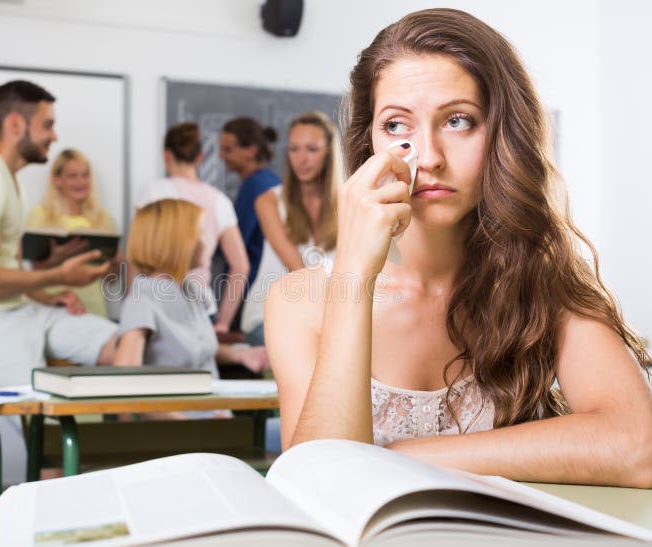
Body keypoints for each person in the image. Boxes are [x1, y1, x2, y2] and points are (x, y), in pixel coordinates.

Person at [265, 8, 652, 487]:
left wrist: (391, 457)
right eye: (396, 127)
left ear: (502, 135)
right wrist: (353, 275)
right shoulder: (296, 301)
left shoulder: (547, 280)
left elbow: (638, 446)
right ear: (368, 145)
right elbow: (317, 483)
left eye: (459, 121)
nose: (427, 157)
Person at [0, 80, 124, 388]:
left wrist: (49, 296)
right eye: (47, 125)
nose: (54, 136)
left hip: (20, 311)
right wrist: (59, 274)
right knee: (36, 413)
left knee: (126, 345)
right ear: (16, 124)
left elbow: (11, 272)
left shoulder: (10, 182)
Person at [115, 198, 269, 376]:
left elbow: (194, 350)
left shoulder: (190, 291)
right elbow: (125, 379)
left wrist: (240, 355)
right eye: (198, 234)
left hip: (214, 401)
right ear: (176, 241)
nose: (204, 243)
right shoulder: (141, 302)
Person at [135, 123, 249, 333]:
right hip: (202, 307)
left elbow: (135, 256)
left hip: (158, 305)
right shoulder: (220, 201)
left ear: (166, 154)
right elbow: (241, 267)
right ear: (200, 157)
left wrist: (132, 307)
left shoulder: (153, 192)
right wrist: (223, 324)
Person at [241, 111, 343, 345]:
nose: (301, 159)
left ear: (329, 153)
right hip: (268, 317)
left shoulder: (348, 204)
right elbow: (298, 272)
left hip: (327, 318)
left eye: (311, 149)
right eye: (294, 149)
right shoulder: (269, 201)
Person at [27, 148, 119, 317]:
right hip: (54, 305)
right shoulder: (41, 216)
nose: (80, 182)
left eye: (85, 175)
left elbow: (111, 279)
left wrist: (114, 264)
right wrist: (58, 258)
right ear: (57, 179)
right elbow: (34, 270)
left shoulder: (103, 219)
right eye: (73, 176)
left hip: (94, 309)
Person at [219, 117, 280, 301]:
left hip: (251, 291)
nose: (221, 155)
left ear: (251, 151)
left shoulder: (254, 186)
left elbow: (235, 242)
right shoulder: (272, 181)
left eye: (228, 149)